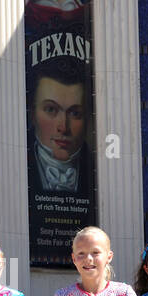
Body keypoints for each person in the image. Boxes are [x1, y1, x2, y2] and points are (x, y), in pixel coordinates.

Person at [28, 59, 91, 196]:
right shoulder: (18, 165)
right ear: (32, 114)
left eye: (75, 113)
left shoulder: (97, 170)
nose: (63, 127)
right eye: (51, 109)